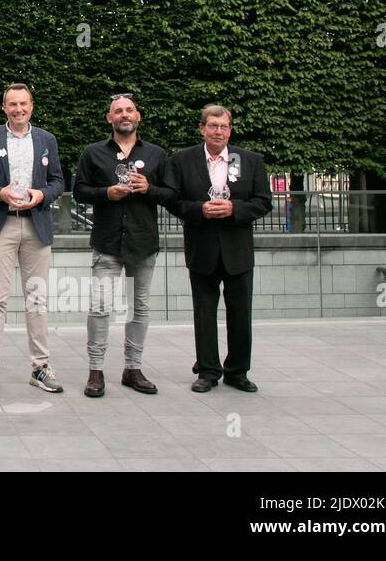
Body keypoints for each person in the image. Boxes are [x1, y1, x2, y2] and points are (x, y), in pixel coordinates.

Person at [162, 104, 272, 393]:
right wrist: (201, 210)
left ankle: (237, 371)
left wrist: (234, 209)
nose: (218, 131)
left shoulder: (250, 161)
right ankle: (208, 371)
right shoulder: (182, 160)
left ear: (230, 130)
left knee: (240, 313)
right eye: (212, 126)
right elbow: (172, 201)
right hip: (202, 248)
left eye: (223, 127)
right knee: (204, 312)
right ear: (202, 128)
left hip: (238, 251)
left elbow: (263, 202)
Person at [71, 93, 174, 398]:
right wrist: (106, 193)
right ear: (109, 118)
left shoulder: (156, 154)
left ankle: (133, 368)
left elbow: (171, 194)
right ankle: (96, 370)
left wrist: (149, 188)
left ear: (138, 116)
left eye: (129, 110)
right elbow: (79, 191)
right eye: (118, 111)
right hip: (107, 242)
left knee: (138, 308)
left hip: (143, 243)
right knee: (100, 307)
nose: (124, 115)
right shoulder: (93, 153)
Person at [0, 83, 66, 394]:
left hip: (36, 226)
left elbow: (59, 181)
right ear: (4, 107)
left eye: (23, 103)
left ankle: (41, 367)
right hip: (1, 225)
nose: (18, 109)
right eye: (12, 104)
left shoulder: (46, 139)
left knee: (37, 299)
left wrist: (42, 195)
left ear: (32, 106)